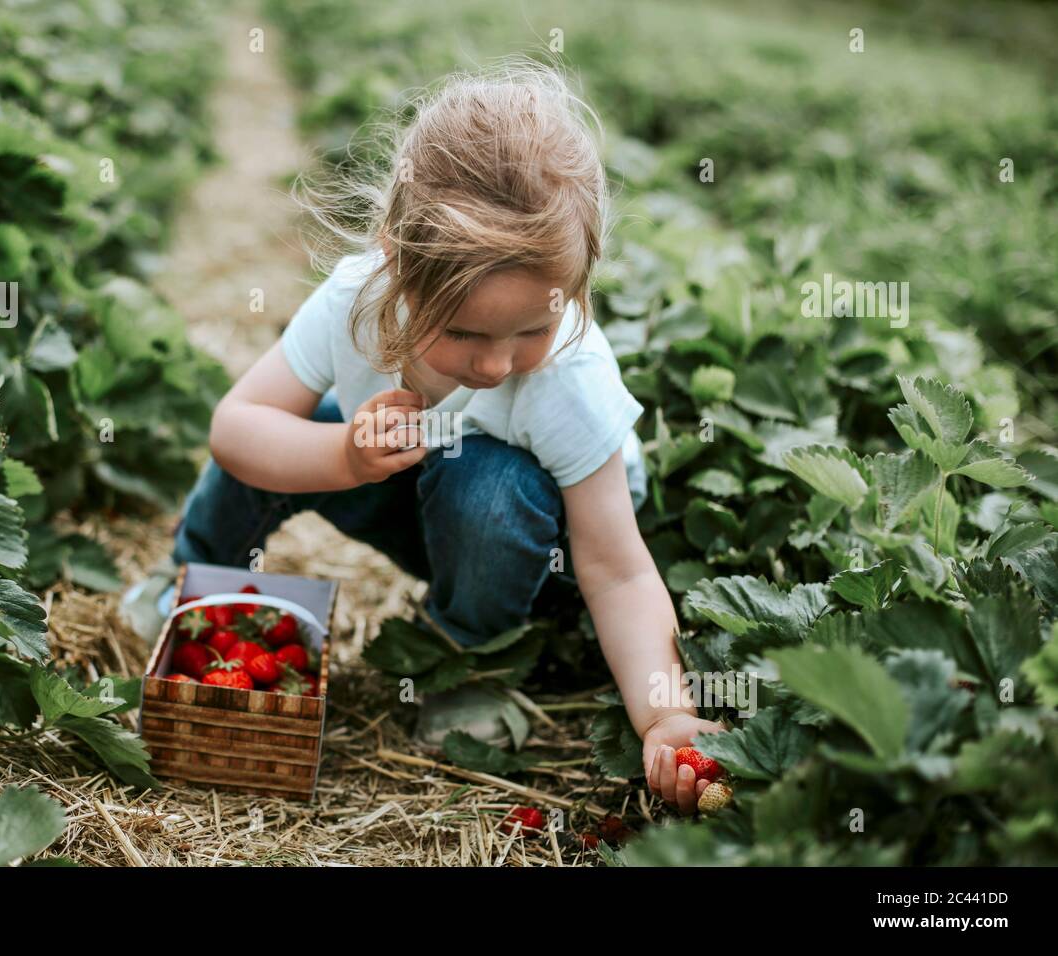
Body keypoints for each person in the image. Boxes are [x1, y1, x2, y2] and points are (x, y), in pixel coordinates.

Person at [160, 58, 723, 814]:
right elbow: (237, 426)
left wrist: (664, 714)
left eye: (534, 327)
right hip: (409, 494)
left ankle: (468, 661)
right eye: (462, 332)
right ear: (396, 264)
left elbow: (616, 570)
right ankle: (197, 588)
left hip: (538, 554)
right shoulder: (355, 302)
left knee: (489, 479)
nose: (497, 363)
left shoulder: (568, 380)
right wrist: (342, 456)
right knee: (287, 437)